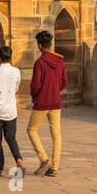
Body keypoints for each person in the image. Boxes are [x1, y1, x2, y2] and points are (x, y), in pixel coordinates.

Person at [27, 30, 67, 176]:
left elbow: (35, 85)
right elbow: (64, 81)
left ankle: (43, 158)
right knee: (56, 134)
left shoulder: (40, 62)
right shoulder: (60, 61)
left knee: (31, 129)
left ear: (39, 45)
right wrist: (56, 90)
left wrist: (35, 96)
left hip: (42, 102)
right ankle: (54, 167)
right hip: (56, 102)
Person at [0, 45, 24, 177]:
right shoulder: (16, 72)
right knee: (11, 138)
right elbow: (16, 88)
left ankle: (0, 168)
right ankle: (18, 159)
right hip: (11, 110)